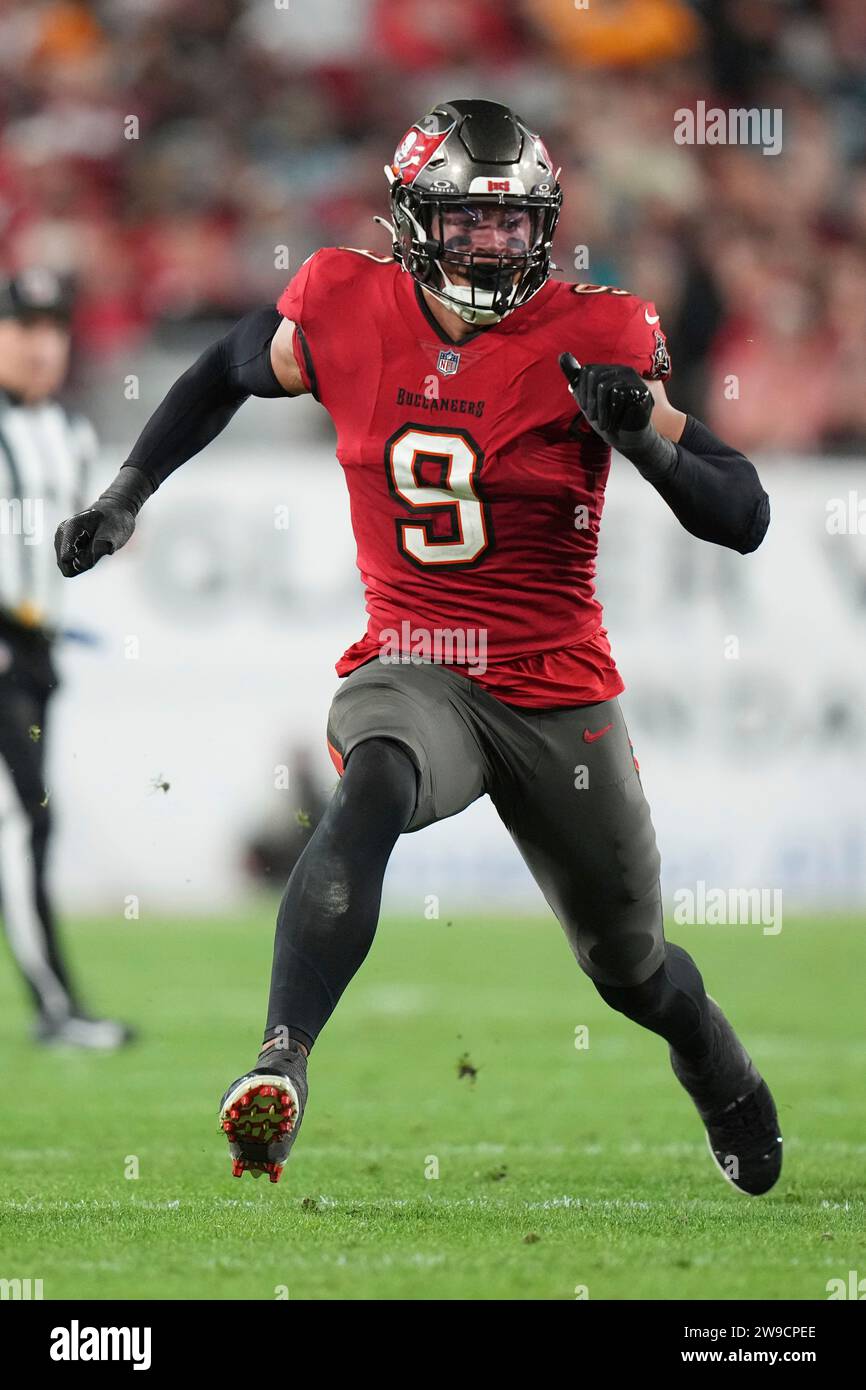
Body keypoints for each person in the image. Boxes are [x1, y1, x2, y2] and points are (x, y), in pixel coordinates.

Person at [55, 100, 780, 1190]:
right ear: (409, 221)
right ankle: (280, 1064)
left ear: (542, 227)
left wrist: (645, 441)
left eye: (510, 223)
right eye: (465, 221)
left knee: (628, 967)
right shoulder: (344, 303)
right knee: (372, 780)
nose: (491, 244)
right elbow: (223, 366)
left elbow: (745, 513)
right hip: (414, 658)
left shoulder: (599, 333)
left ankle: (714, 1065)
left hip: (554, 689)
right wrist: (126, 493)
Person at [0, 268, 133, 1049]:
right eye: (24, 327)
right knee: (26, 821)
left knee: (27, 820)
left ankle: (56, 1005)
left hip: (35, 653)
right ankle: (56, 1008)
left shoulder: (74, 433)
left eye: (54, 328)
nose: (42, 345)